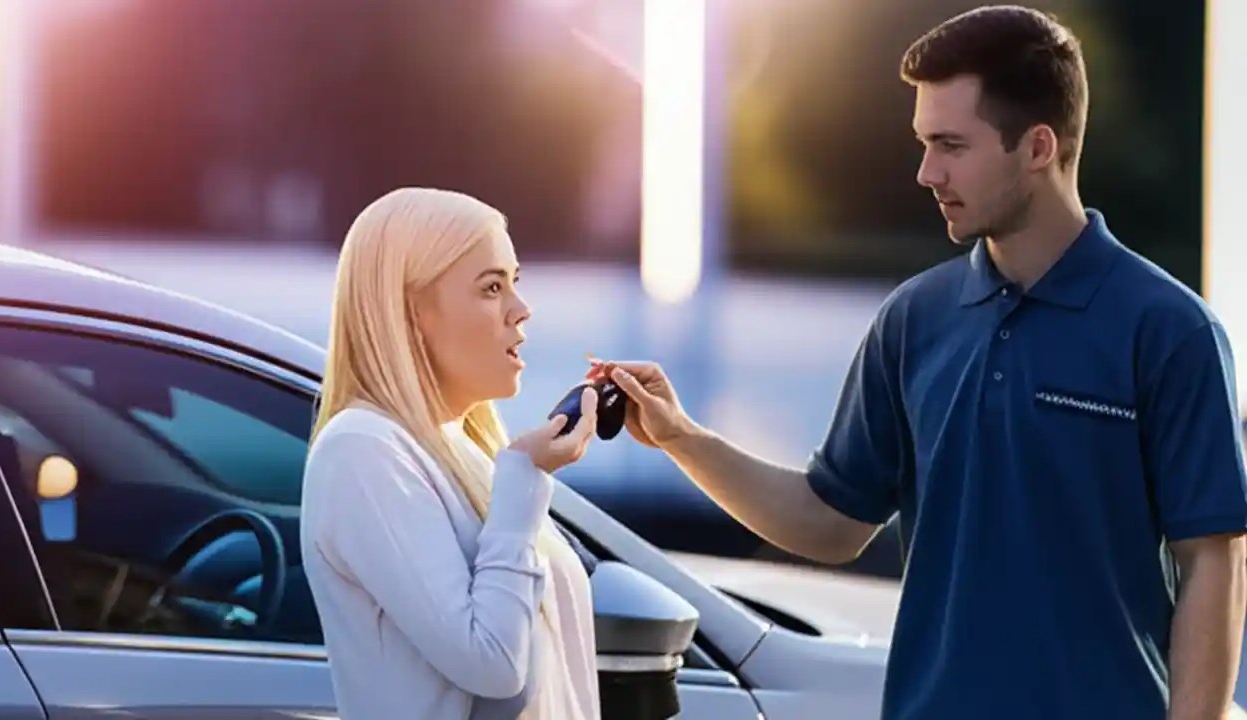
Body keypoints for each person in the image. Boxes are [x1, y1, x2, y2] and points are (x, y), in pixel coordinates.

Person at [590, 6, 1247, 719]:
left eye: (951, 145)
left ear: (1038, 147)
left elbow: (1214, 562)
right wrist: (682, 438)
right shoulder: (915, 319)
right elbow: (830, 522)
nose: (927, 172)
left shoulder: (1169, 331)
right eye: (924, 143)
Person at [301, 187, 602, 720]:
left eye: (514, 282)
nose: (521, 310)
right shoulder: (362, 451)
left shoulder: (464, 448)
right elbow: (492, 663)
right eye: (491, 287)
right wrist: (525, 477)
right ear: (413, 313)